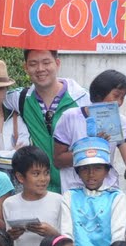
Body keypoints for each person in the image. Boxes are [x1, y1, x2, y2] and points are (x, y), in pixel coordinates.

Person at [10, 49, 89, 194]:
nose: (40, 69)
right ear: (25, 67)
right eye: (33, 64)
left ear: (57, 63)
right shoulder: (21, 97)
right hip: (41, 193)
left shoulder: (83, 99)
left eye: (46, 62)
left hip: (78, 191)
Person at [1, 146, 75, 246]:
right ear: (20, 177)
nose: (43, 179)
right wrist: (10, 236)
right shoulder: (9, 204)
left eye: (46, 173)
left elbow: (69, 241)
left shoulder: (59, 200)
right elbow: (8, 245)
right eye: (36, 174)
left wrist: (51, 233)